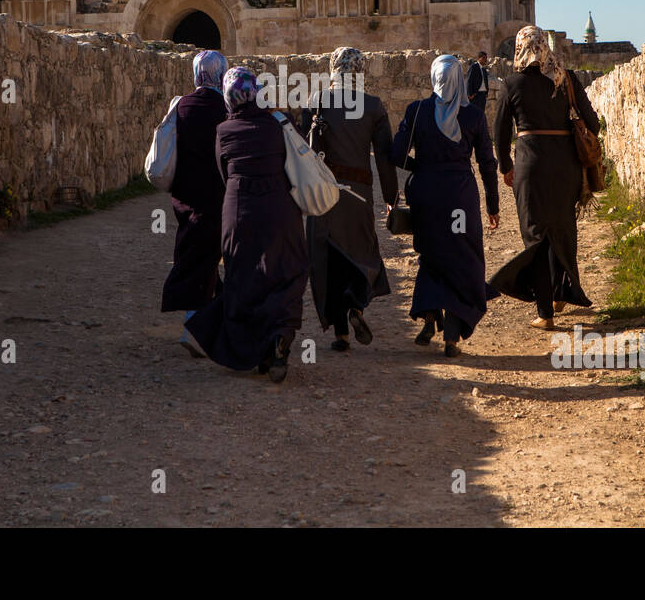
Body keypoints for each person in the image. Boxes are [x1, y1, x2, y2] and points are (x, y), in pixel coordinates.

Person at [186, 67, 309, 383]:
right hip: (281, 208)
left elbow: (223, 173)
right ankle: (281, 333)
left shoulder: (224, 130)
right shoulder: (280, 123)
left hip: (239, 209)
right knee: (285, 270)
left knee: (244, 275)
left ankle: (254, 348)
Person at [490, 25, 601, 330]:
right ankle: (562, 292)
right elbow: (593, 123)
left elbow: (500, 134)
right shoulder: (565, 79)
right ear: (545, 47)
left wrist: (505, 167)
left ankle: (545, 313)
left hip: (530, 166)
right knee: (562, 228)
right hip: (565, 166)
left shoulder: (511, 84)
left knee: (536, 236)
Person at [391, 54, 500, 358]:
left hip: (426, 194)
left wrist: (421, 166)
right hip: (459, 197)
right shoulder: (474, 116)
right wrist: (493, 203)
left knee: (432, 252)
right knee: (462, 257)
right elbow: (487, 163)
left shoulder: (417, 111)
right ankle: (451, 335)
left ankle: (428, 315)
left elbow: (396, 152)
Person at [298, 47, 398, 352]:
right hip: (359, 194)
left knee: (328, 256)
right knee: (360, 251)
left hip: (322, 194)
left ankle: (340, 333)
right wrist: (393, 197)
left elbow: (302, 150)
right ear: (360, 69)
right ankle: (356, 307)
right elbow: (384, 157)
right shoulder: (373, 106)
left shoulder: (316, 102)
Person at [160, 50, 228, 357]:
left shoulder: (181, 105)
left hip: (186, 195)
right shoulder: (228, 108)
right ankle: (194, 328)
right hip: (220, 195)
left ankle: (209, 323)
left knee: (198, 252)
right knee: (209, 255)